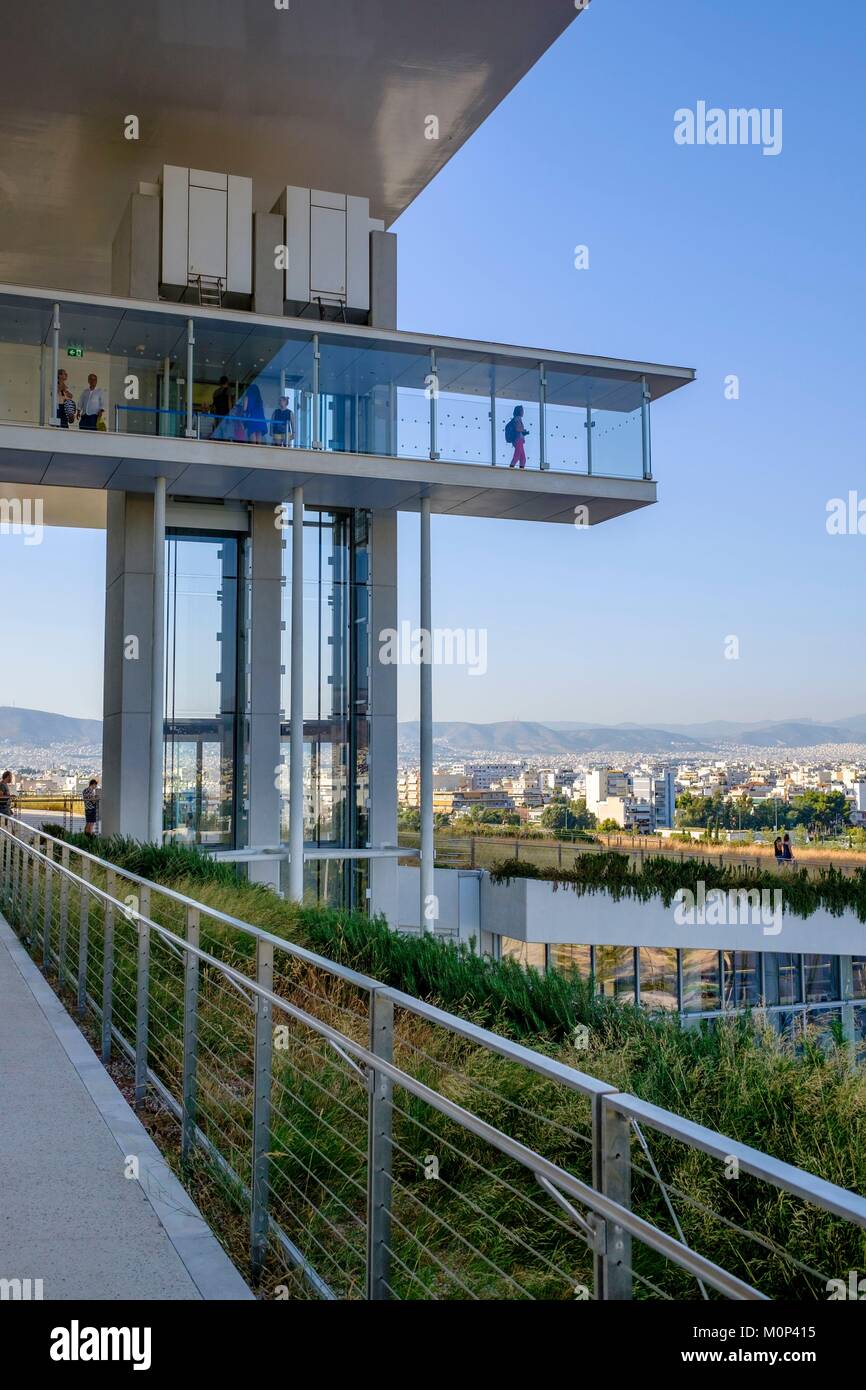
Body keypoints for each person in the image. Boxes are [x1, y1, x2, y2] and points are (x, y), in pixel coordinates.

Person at [507, 404, 529, 468]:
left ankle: (520, 470)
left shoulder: (517, 419)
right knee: (517, 456)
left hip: (518, 440)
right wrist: (523, 430)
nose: (523, 412)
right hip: (518, 439)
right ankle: (511, 468)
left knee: (523, 458)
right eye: (522, 411)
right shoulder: (517, 418)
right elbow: (517, 428)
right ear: (519, 411)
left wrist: (523, 432)